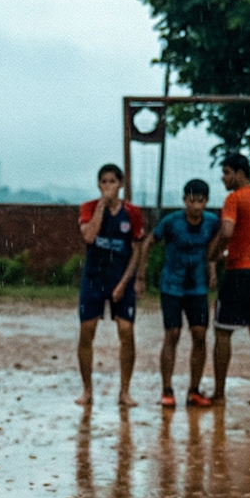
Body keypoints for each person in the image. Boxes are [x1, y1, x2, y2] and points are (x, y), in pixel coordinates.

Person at [206, 152, 250, 407]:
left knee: (223, 331)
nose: (223, 178)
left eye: (226, 172)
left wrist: (212, 255)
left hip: (238, 272)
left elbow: (227, 231)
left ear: (239, 173)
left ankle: (220, 393)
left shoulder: (234, 198)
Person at [75, 164, 147, 407]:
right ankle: (87, 390)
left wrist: (128, 281)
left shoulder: (133, 213)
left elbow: (136, 251)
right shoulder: (89, 208)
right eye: (104, 182)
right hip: (94, 279)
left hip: (120, 278)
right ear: (98, 185)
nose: (108, 187)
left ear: (121, 184)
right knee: (87, 331)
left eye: (112, 182)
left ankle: (124, 391)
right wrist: (102, 208)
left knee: (126, 332)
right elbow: (89, 237)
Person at [151, 178, 219, 408]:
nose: (196, 206)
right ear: (184, 200)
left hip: (197, 287)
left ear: (206, 201)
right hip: (172, 286)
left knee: (200, 335)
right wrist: (140, 274)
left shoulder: (211, 222)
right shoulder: (172, 222)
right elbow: (149, 241)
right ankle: (167, 388)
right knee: (173, 334)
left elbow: (216, 246)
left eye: (201, 201)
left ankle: (194, 390)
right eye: (192, 201)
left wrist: (212, 269)